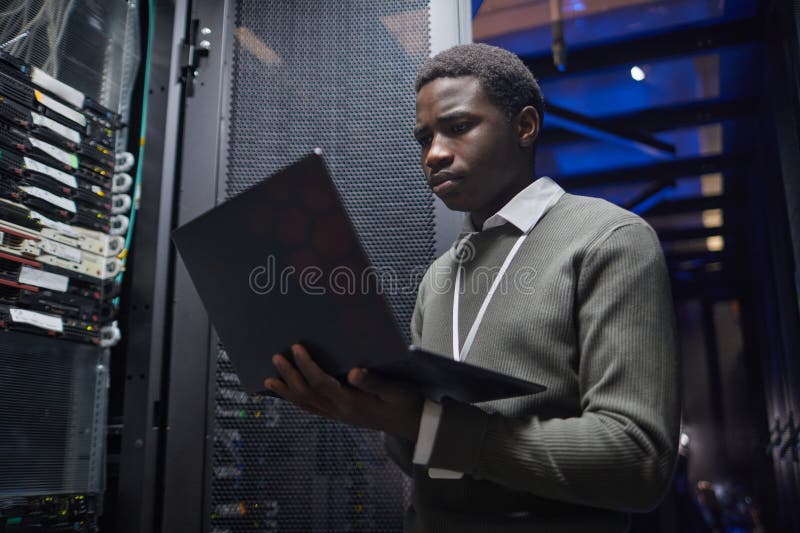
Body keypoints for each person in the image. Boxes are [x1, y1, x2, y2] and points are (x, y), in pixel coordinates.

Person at [265, 43, 680, 532]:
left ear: (525, 127)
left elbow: (637, 461)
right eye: (423, 138)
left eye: (458, 127)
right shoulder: (439, 276)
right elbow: (426, 460)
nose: (434, 154)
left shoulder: (608, 238)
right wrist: (370, 409)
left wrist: (426, 425)